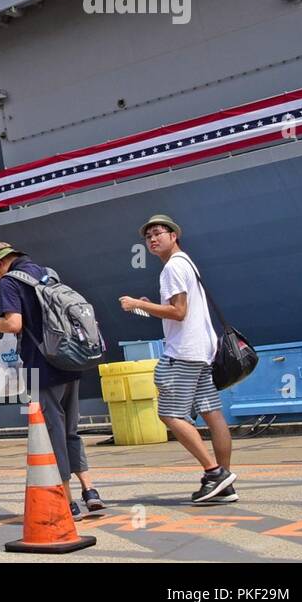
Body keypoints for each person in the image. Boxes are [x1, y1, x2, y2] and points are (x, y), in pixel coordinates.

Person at [0, 242, 104, 518]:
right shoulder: (47, 273)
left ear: (0, 264)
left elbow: (13, 325)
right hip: (70, 359)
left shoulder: (10, 282)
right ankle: (90, 491)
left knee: (52, 433)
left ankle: (68, 500)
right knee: (72, 429)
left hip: (42, 366)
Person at [120, 215, 236, 505]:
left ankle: (213, 473)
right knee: (213, 414)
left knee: (169, 414)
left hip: (183, 352)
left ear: (174, 235)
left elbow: (179, 312)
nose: (152, 239)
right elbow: (179, 310)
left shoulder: (172, 267)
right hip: (203, 351)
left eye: (158, 233)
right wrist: (151, 306)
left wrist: (138, 304)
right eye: (148, 237)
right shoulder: (187, 262)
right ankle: (225, 483)